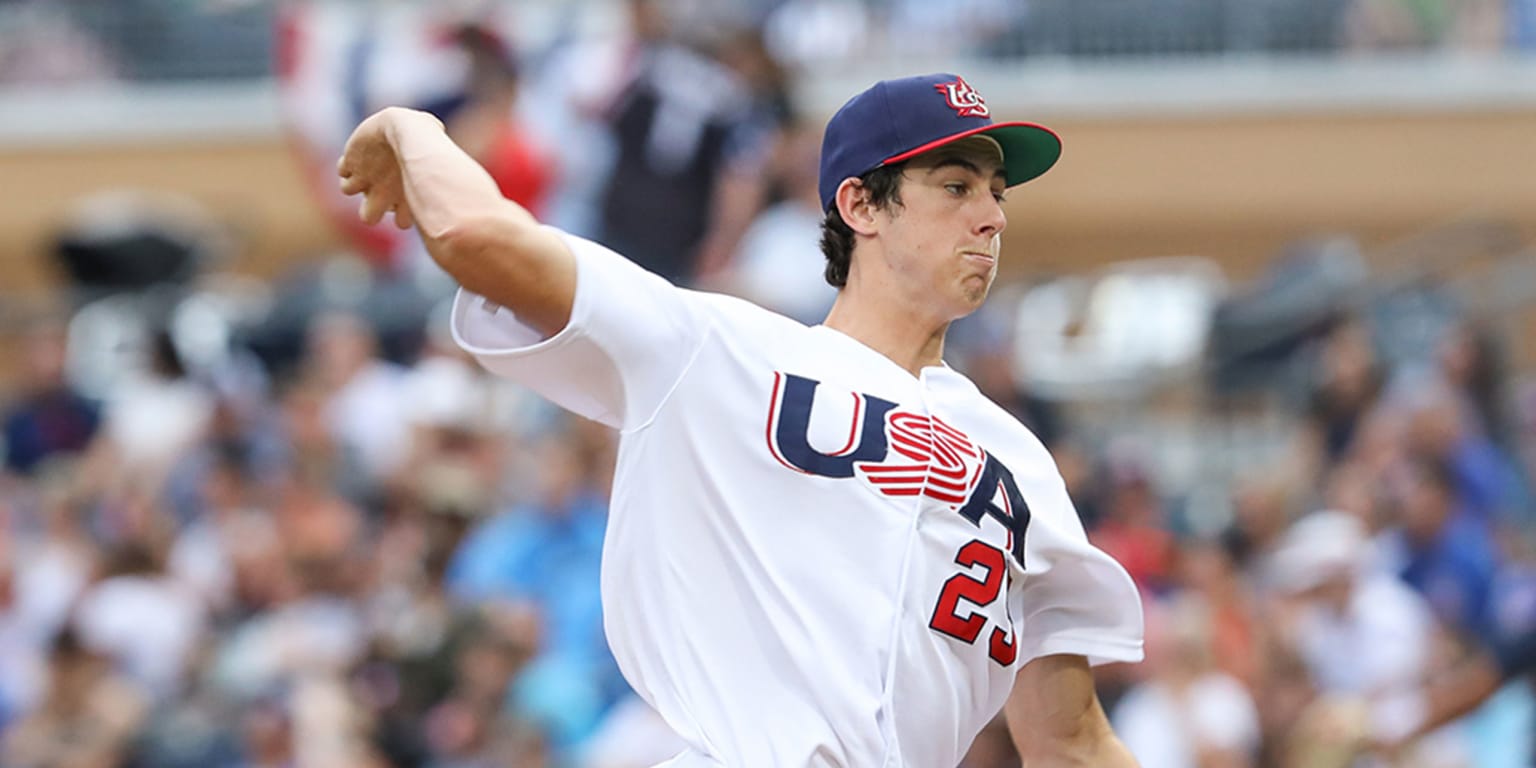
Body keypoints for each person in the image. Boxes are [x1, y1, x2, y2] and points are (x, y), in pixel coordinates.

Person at [338, 72, 1145, 766]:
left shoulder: (1019, 461)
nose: (992, 217)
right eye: (957, 187)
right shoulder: (718, 349)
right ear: (861, 204)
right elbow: (481, 237)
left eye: (998, 194)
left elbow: (1072, 742)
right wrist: (412, 128)